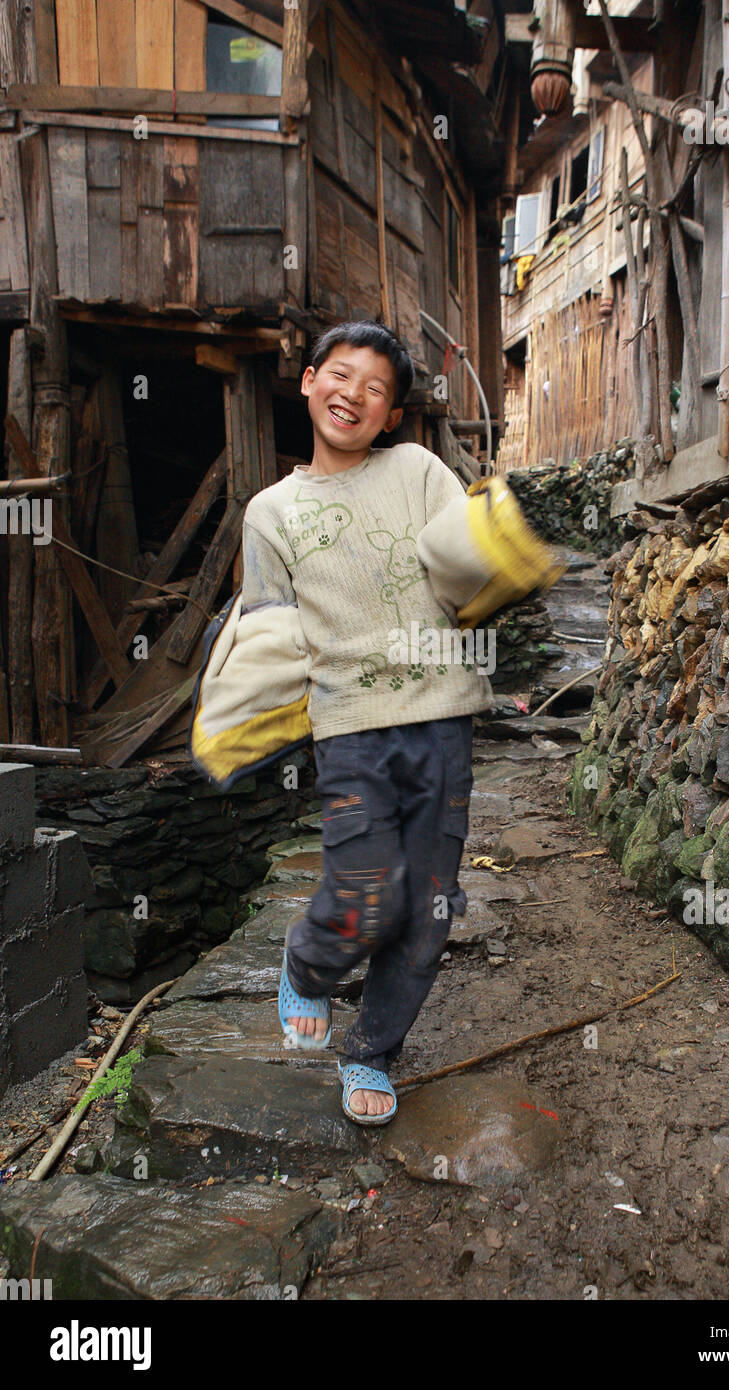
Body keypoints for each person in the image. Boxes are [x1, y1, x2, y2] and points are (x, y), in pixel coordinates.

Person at [240, 321, 494, 1124]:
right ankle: (308, 964)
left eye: (376, 388)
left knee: (429, 909)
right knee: (365, 887)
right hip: (348, 726)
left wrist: (491, 553)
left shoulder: (418, 470)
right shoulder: (271, 511)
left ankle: (370, 1054)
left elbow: (465, 570)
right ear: (309, 382)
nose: (354, 393)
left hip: (443, 718)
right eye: (340, 375)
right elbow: (268, 626)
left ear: (390, 415)